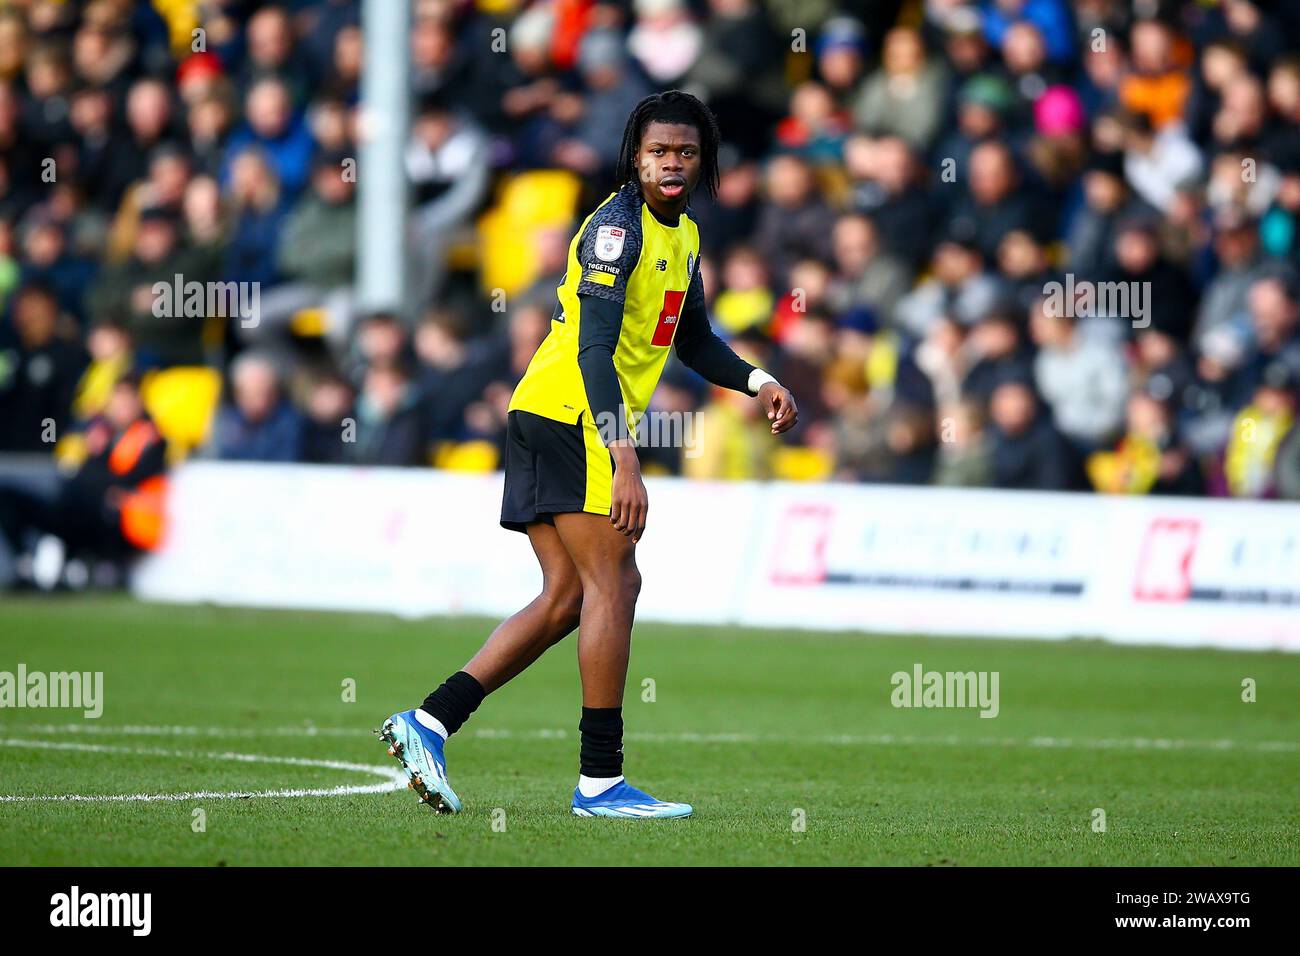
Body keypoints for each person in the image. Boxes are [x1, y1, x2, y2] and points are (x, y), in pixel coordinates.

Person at [378, 91, 797, 819]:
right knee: (616, 583)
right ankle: (601, 781)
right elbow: (596, 346)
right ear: (635, 156)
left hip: (558, 416)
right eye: (660, 151)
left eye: (686, 152)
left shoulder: (685, 236)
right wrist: (623, 450)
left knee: (569, 596)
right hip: (573, 416)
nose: (673, 163)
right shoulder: (615, 230)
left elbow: (689, 336)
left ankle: (430, 722)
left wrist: (757, 380)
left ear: (703, 161)